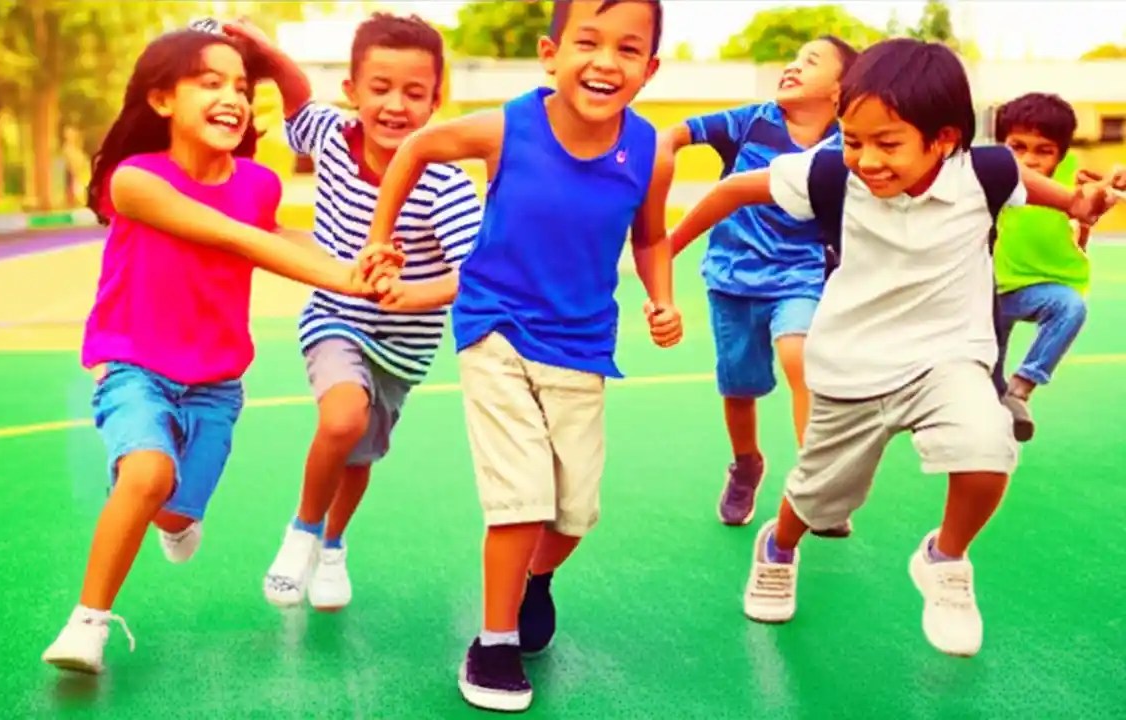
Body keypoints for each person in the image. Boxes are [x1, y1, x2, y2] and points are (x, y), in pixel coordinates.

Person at [667, 38, 1121, 659]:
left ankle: (945, 557)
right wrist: (662, 253)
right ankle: (779, 545)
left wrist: (1077, 201)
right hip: (852, 363)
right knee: (821, 497)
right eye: (854, 140)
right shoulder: (828, 174)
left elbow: (1025, 182)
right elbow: (728, 193)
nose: (866, 159)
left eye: (887, 143)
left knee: (989, 447)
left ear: (943, 139)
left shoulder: (983, 173)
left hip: (948, 358)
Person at [40, 24, 400, 675]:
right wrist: (343, 278)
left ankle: (167, 511)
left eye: (241, 85)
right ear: (160, 100)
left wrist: (359, 264)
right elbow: (235, 238)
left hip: (215, 385)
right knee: (148, 474)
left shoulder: (259, 184)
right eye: (209, 82)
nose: (233, 96)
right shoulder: (136, 181)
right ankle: (86, 625)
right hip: (135, 368)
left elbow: (280, 235)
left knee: (173, 506)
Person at [362, 0, 680, 711]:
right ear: (550, 52)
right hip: (496, 327)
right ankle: (495, 642)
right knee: (521, 498)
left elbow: (651, 237)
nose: (605, 62)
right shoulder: (511, 127)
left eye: (628, 50)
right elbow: (414, 149)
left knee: (571, 516)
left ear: (650, 70)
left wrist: (662, 297)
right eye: (587, 42)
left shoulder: (647, 152)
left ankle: (537, 579)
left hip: (582, 344)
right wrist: (382, 239)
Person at [237, 13, 484, 613]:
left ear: (435, 101)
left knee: (359, 457)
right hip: (335, 316)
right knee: (343, 418)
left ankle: (334, 545)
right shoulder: (330, 136)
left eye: (414, 92)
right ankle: (301, 531)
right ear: (352, 91)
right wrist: (265, 51)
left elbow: (477, 269)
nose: (395, 105)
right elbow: (296, 98)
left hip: (403, 348)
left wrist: (413, 295)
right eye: (380, 87)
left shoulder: (444, 183)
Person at [665, 36, 858, 534]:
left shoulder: (846, 146)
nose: (793, 66)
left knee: (801, 356)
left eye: (810, 62)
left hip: (798, 274)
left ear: (840, 91)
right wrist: (662, 148)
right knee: (739, 389)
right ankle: (746, 465)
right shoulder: (753, 120)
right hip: (731, 279)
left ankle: (817, 484)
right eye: (793, 59)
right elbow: (679, 134)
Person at [991, 92, 1090, 442]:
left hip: (1036, 291)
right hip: (990, 295)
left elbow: (1079, 227)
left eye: (1043, 150)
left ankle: (1020, 390)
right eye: (1017, 147)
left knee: (1071, 306)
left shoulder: (1067, 185)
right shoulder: (990, 178)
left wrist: (1096, 202)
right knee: (986, 381)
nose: (1029, 160)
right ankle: (998, 403)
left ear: (1060, 154)